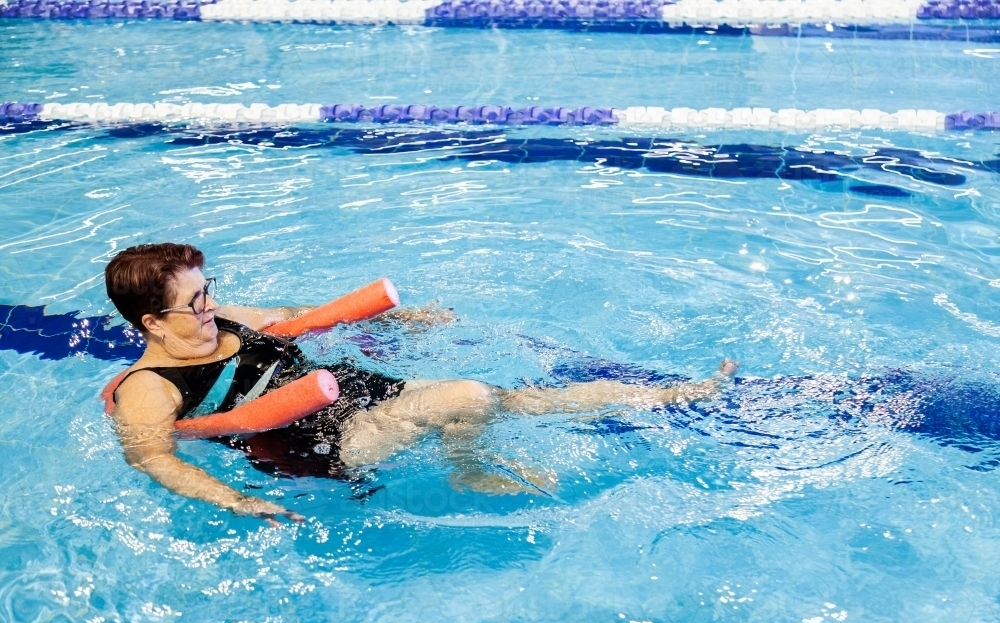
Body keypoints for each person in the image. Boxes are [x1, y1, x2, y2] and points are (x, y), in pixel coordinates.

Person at [106, 243, 738, 523]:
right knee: (472, 398)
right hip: (316, 446)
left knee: (519, 401)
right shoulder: (149, 389)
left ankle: (678, 396)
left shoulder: (230, 316)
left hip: (354, 392)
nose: (210, 305)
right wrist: (236, 501)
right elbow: (155, 460)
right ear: (153, 321)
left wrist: (404, 319)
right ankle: (466, 468)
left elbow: (294, 317)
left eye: (208, 288)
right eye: (195, 301)